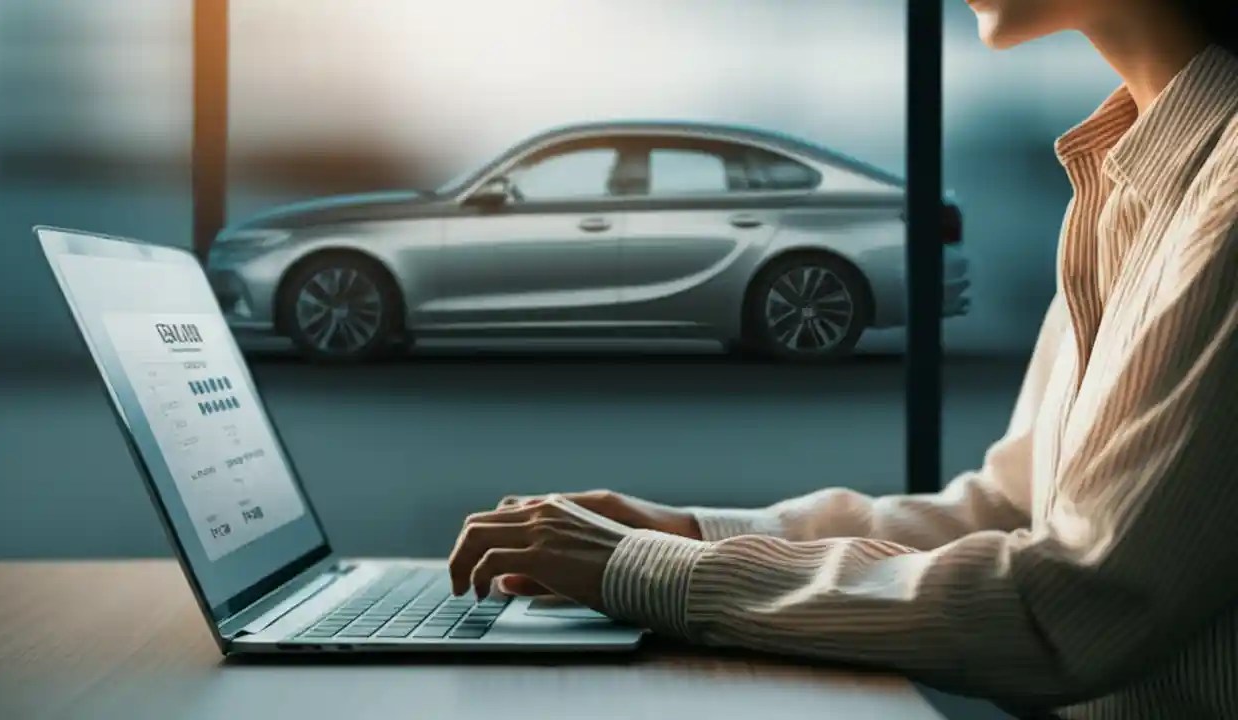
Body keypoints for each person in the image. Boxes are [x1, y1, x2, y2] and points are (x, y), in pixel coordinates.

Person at [447, 1, 1238, 717]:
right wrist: (691, 533)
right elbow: (1011, 510)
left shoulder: (1226, 200)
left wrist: (650, 572)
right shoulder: (1132, 171)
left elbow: (1065, 607)